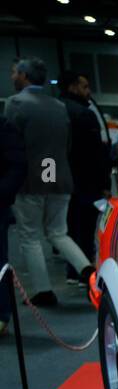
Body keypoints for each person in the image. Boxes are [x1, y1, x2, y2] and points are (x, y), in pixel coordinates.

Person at [5, 57, 93, 308]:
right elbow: (65, 146)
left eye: (14, 72)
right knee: (58, 232)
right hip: (59, 176)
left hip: (32, 179)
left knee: (30, 236)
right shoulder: (58, 106)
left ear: (24, 75)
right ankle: (86, 269)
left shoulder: (16, 104)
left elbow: (12, 145)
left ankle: (43, 290)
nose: (12, 76)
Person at [59, 71, 111, 284]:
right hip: (86, 180)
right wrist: (104, 183)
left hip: (63, 179)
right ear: (73, 87)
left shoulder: (58, 109)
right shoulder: (84, 114)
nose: (88, 92)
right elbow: (96, 153)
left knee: (69, 227)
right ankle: (85, 273)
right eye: (85, 86)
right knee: (87, 227)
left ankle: (73, 271)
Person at [0, 115, 26, 336]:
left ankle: (2, 314)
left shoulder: (17, 110)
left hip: (43, 184)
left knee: (36, 236)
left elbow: (20, 163)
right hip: (50, 182)